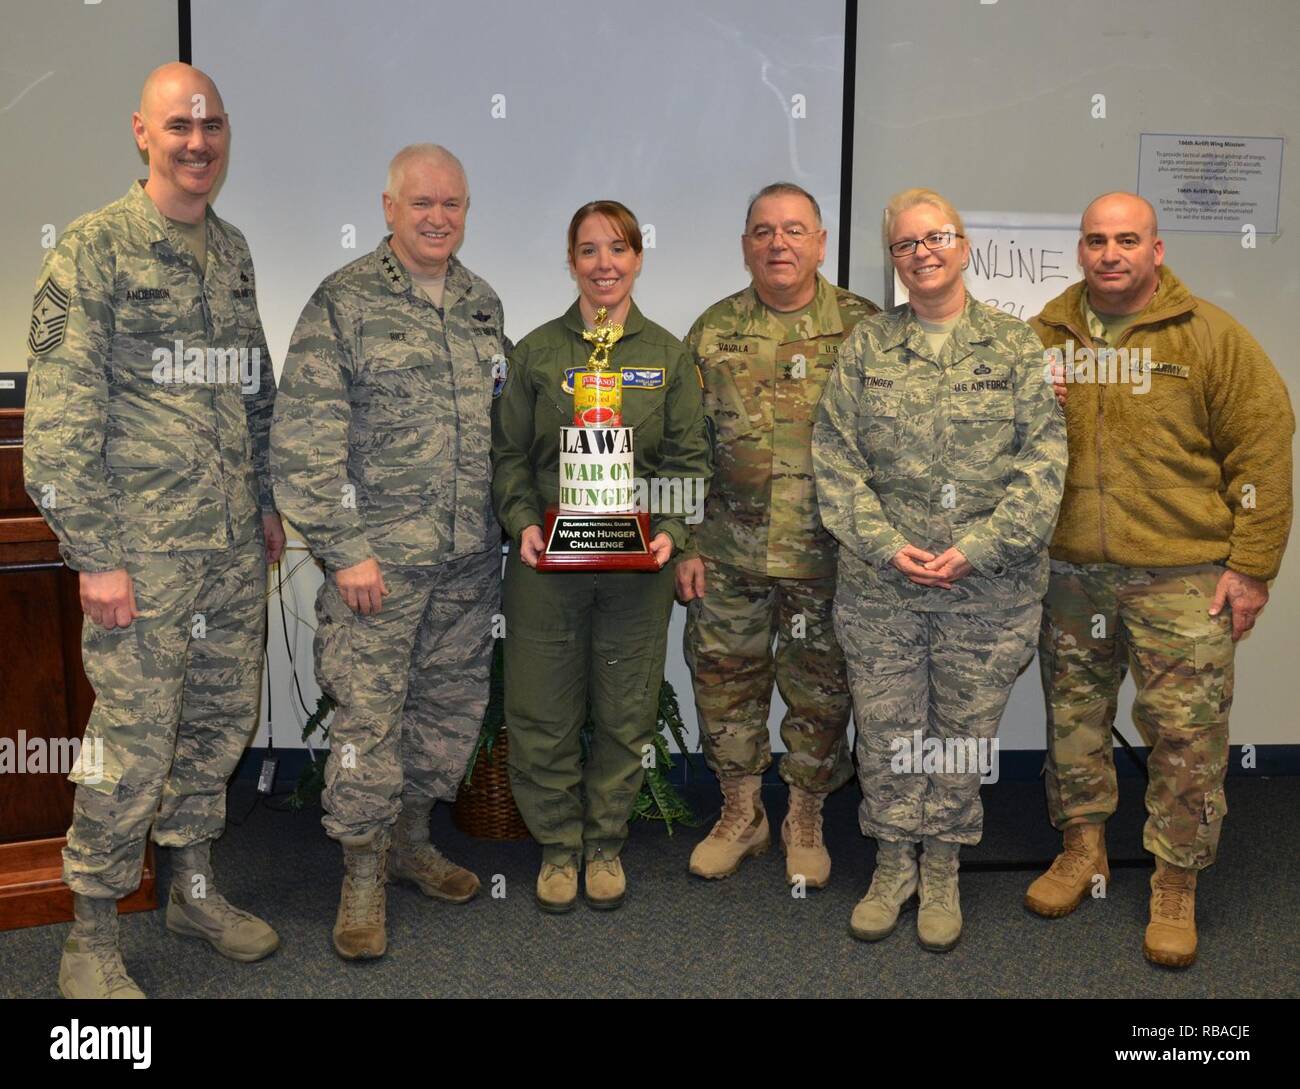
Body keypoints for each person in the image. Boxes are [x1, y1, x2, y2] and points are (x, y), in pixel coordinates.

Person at [23, 62, 283, 998]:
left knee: (218, 726)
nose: (197, 143)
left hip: (225, 555)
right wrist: (96, 559)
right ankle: (89, 933)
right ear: (143, 132)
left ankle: (195, 891)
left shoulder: (234, 250)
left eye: (211, 127)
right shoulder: (93, 250)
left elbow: (253, 388)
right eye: (179, 127)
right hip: (140, 558)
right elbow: (55, 429)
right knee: (127, 741)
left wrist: (263, 503)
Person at [1025, 192, 1293, 968]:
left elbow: (1265, 447)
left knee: (1185, 736)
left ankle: (1176, 881)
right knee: (1074, 722)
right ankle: (1083, 850)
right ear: (1080, 249)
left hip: (1183, 576)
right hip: (1072, 571)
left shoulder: (1208, 335)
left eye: (1127, 240)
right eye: (1097, 240)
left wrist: (1252, 566)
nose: (1111, 253)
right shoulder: (1043, 335)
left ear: (1157, 250)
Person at [812, 188, 1066, 951]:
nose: (922, 253)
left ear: (963, 247)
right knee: (889, 730)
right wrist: (887, 543)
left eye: (936, 238)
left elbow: (1044, 465)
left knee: (960, 733)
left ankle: (945, 864)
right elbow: (834, 459)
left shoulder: (1016, 348)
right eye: (904, 245)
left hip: (986, 591)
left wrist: (981, 547)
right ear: (893, 261)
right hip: (882, 586)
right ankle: (893, 864)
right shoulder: (865, 348)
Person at [272, 145, 506, 960]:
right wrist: (344, 551)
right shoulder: (344, 302)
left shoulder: (482, 305)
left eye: (453, 203)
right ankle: (362, 872)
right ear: (388, 208)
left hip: (469, 561)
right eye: (422, 204)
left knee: (445, 712)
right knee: (367, 721)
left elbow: (498, 434)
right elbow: (304, 441)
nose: (438, 217)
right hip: (378, 566)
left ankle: (410, 842)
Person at [491, 200, 710, 912]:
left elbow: (687, 459)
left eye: (618, 249)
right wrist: (522, 520)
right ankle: (557, 845)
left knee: (624, 709)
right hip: (547, 565)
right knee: (541, 709)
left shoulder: (669, 357)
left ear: (639, 258)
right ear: (571, 262)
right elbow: (508, 455)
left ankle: (605, 841)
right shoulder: (537, 352)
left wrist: (674, 528)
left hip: (634, 569)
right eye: (589, 251)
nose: (604, 264)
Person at [678, 183, 879, 889]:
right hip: (728, 552)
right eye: (763, 231)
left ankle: (803, 815)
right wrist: (685, 540)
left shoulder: (865, 328)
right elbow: (684, 445)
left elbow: (891, 444)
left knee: (821, 690)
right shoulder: (711, 330)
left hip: (828, 556)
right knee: (724, 682)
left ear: (820, 243)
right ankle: (742, 813)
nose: (778, 243)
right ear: (745, 247)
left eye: (795, 230)